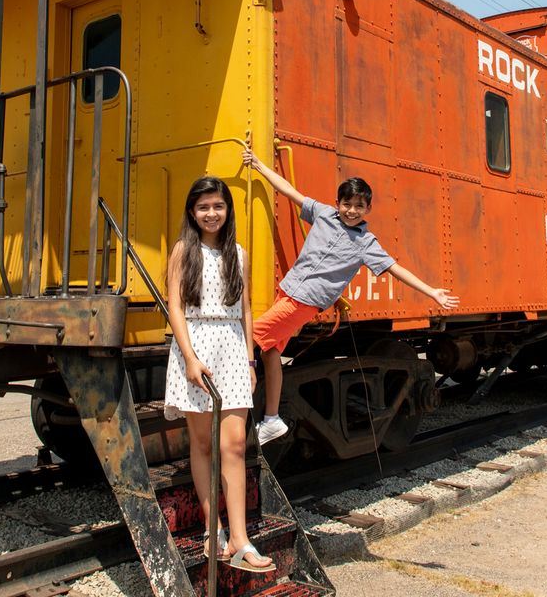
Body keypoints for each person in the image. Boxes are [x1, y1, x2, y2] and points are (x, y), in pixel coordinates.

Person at [242, 150, 460, 445]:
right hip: (289, 290)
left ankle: (222, 390)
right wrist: (258, 166)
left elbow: (396, 269)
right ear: (338, 203)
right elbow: (289, 191)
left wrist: (431, 291)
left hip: (304, 301)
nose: (352, 210)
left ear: (368, 208)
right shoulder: (323, 214)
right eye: (347, 204)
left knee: (247, 336)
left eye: (359, 206)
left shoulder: (366, 243)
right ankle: (271, 420)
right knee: (271, 352)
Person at [163, 176, 275, 572]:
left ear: (227, 211)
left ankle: (241, 539)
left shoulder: (239, 254)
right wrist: (190, 358)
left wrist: (249, 360)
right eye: (203, 207)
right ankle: (214, 529)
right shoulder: (182, 251)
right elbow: (174, 307)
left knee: (235, 446)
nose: (211, 213)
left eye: (218, 206)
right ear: (192, 213)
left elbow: (245, 310)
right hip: (194, 347)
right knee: (203, 444)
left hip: (230, 348)